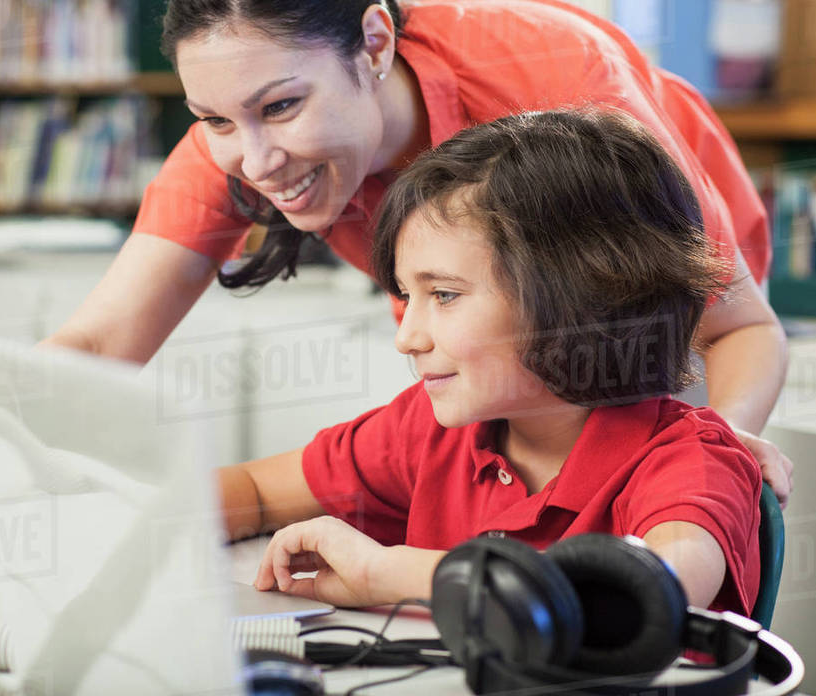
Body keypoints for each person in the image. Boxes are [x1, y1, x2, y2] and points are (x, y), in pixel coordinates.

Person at [46, 0, 793, 505]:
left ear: (373, 46)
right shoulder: (242, 140)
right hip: (513, 376)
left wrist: (716, 449)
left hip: (674, 329)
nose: (254, 160)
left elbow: (736, 329)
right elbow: (99, 348)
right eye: (212, 119)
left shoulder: (555, 83)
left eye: (281, 106)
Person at [220, 109, 761, 613]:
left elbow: (639, 594)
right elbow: (255, 491)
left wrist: (392, 572)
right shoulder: (430, 428)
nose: (406, 338)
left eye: (445, 295)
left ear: (585, 295)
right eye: (408, 295)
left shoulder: (690, 463)